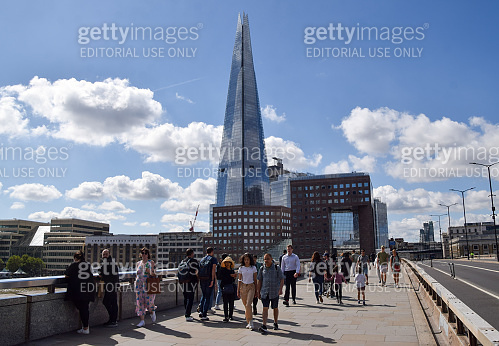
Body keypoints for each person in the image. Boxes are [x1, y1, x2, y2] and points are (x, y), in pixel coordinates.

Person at [65, 250, 96, 334]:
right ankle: (86, 327)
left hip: (78, 290)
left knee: (82, 308)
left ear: (75, 258)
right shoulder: (88, 265)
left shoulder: (73, 265)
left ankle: (85, 328)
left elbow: (67, 275)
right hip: (88, 289)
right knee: (85, 308)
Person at [257, 253, 285, 334]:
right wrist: (258, 292)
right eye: (265, 259)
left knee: (275, 308)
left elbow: (282, 279)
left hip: (274, 292)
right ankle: (264, 325)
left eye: (268, 259)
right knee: (265, 308)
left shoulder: (277, 268)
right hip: (264, 292)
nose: (266, 261)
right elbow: (259, 280)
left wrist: (280, 289)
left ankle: (275, 322)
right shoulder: (262, 269)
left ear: (271, 259)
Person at [135, 247, 157, 327]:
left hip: (148, 286)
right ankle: (142, 320)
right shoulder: (138, 263)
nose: (144, 255)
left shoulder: (150, 262)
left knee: (149, 303)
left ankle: (152, 311)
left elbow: (154, 274)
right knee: (140, 303)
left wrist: (149, 271)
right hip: (139, 286)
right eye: (142, 253)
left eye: (145, 253)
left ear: (148, 254)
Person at [99, 249, 119, 327]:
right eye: (103, 254)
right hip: (113, 285)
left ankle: (113, 319)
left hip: (110, 286)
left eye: (106, 254)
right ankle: (114, 320)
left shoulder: (107, 262)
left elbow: (102, 274)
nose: (104, 256)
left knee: (106, 302)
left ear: (109, 254)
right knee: (113, 303)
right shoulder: (111, 262)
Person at [237, 253, 257, 330]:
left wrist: (257, 290)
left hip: (251, 286)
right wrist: (238, 290)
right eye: (245, 260)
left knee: (249, 304)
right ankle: (248, 320)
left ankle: (251, 321)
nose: (246, 261)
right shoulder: (241, 268)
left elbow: (255, 279)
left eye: (248, 260)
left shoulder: (253, 268)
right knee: (246, 305)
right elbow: (239, 280)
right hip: (243, 287)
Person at [179, 248, 198, 321]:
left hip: (184, 281)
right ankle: (187, 314)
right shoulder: (194, 261)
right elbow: (196, 271)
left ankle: (186, 311)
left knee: (186, 297)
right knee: (190, 298)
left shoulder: (183, 261)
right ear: (192, 253)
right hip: (191, 282)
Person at [198, 247, 218, 321]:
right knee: (207, 297)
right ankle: (204, 314)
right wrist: (213, 280)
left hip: (202, 279)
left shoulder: (202, 259)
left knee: (203, 295)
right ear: (212, 252)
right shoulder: (213, 259)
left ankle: (200, 311)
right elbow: (213, 270)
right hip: (209, 279)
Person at [219, 256, 237, 322]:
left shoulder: (232, 270)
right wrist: (230, 276)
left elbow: (232, 280)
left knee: (231, 303)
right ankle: (226, 316)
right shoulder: (222, 270)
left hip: (231, 287)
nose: (227, 264)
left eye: (228, 263)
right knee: (225, 303)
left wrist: (234, 277)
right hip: (225, 287)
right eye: (226, 262)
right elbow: (222, 278)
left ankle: (230, 315)